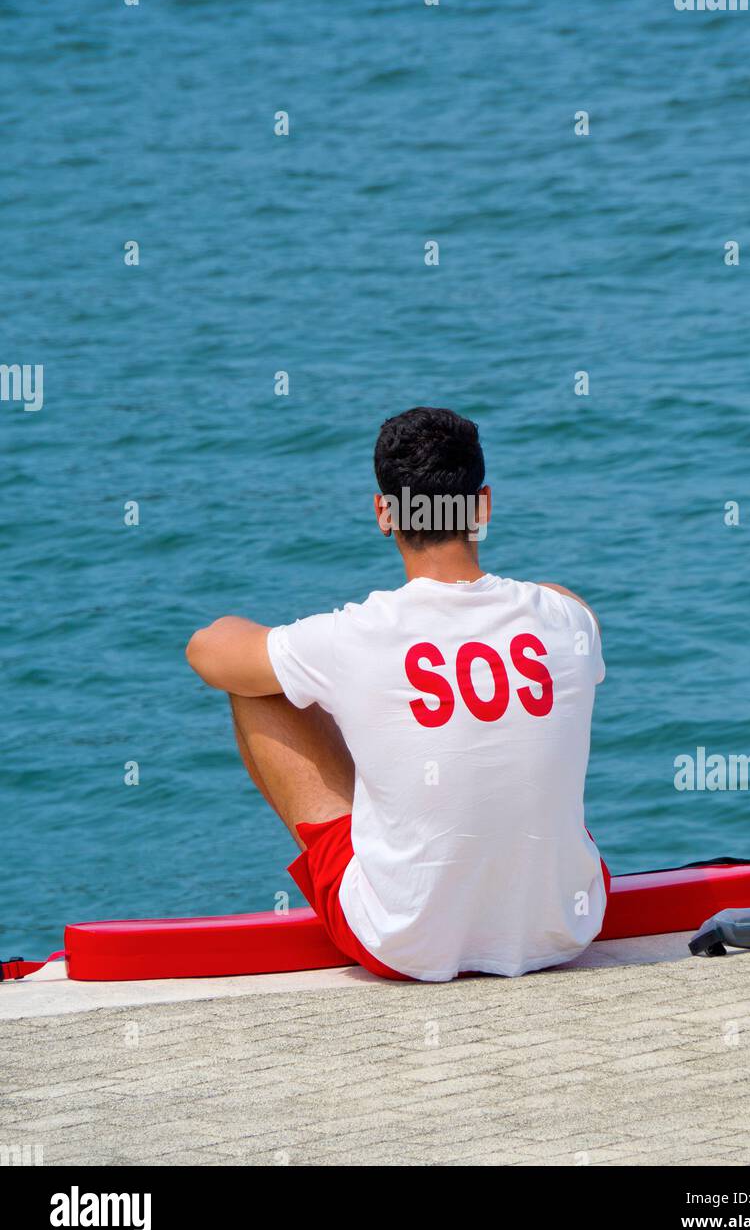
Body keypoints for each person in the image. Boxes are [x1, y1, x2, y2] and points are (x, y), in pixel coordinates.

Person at [186, 406, 609, 982]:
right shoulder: (568, 619)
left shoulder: (353, 635)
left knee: (258, 684)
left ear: (384, 513)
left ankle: (402, 871)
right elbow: (562, 598)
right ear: (482, 507)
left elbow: (206, 651)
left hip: (404, 944)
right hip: (566, 926)